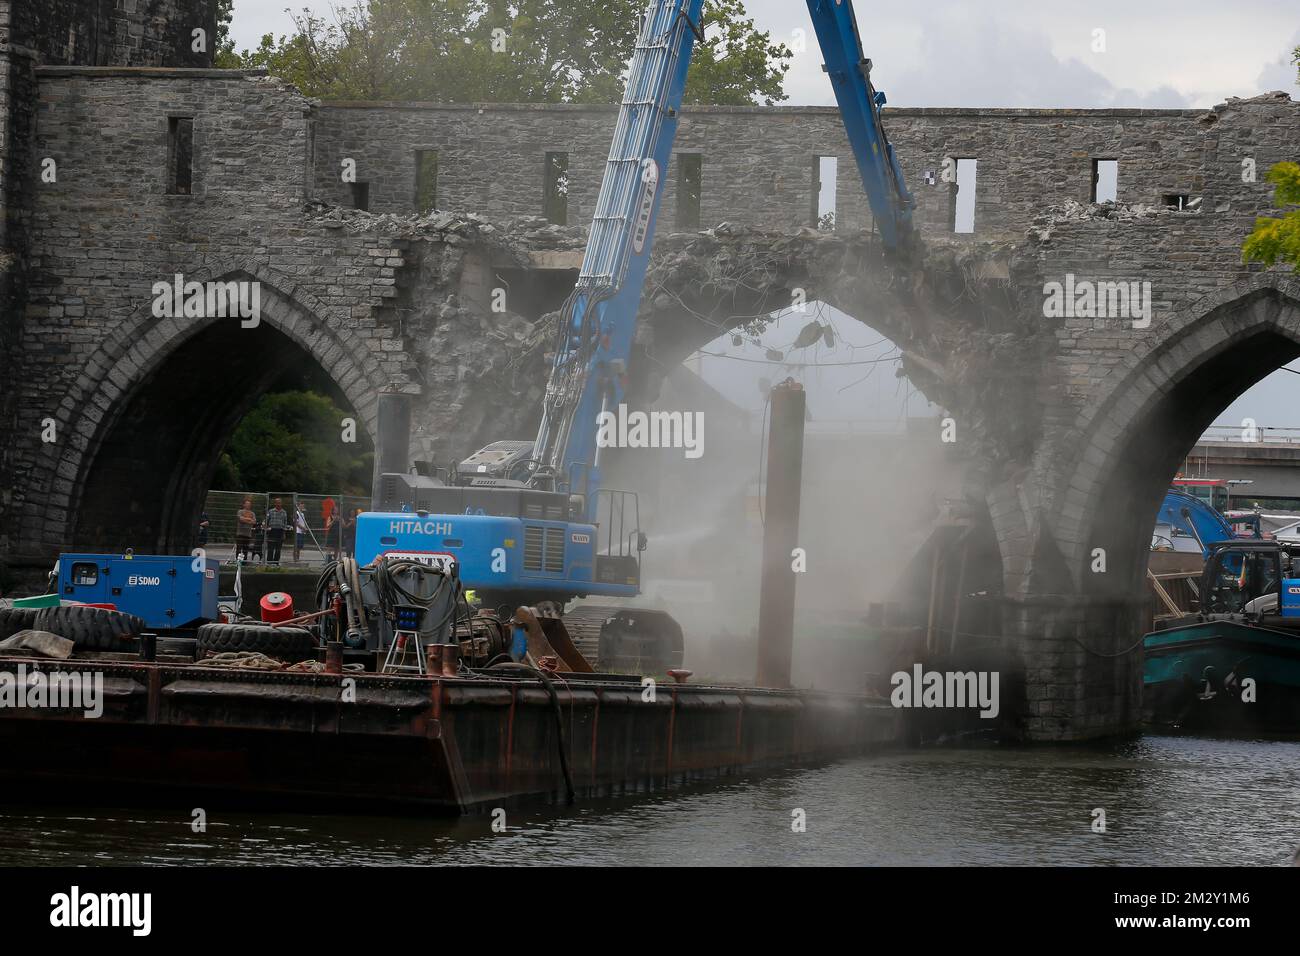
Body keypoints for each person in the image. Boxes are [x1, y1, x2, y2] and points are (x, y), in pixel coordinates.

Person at [265, 497, 289, 566]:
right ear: (275, 503)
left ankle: (276, 563)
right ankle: (269, 563)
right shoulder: (270, 511)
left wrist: (284, 533)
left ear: (281, 504)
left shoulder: (284, 512)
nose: (278, 504)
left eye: (280, 503)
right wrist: (266, 528)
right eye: (277, 502)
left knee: (278, 549)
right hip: (272, 531)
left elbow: (285, 523)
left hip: (280, 531)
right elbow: (266, 520)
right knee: (270, 548)